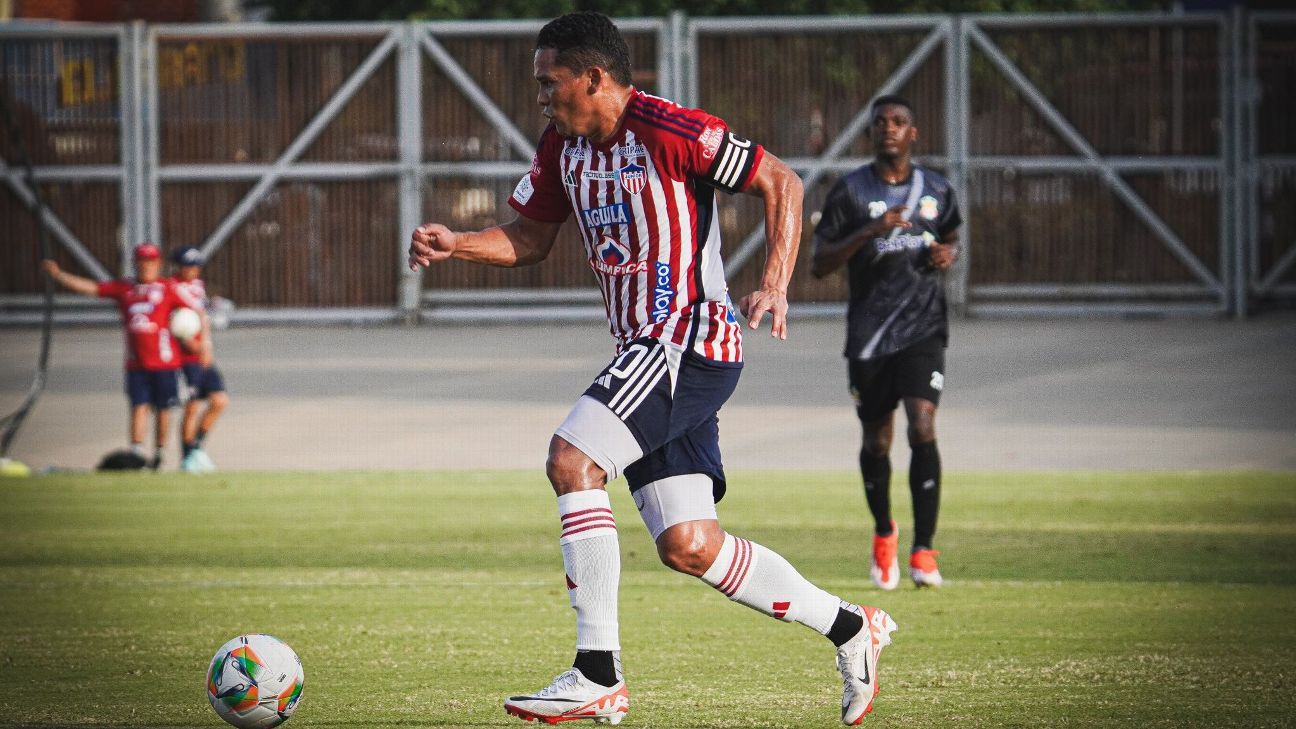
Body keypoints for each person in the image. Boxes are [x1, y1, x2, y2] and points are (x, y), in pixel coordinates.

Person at [408, 12, 896, 726]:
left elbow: (782, 183)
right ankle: (853, 627)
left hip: (685, 340)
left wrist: (777, 279)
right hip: (648, 351)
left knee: (572, 461)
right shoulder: (560, 146)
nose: (542, 96)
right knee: (689, 545)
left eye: (551, 82)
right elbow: (530, 238)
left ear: (594, 78)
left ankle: (596, 670)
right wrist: (458, 244)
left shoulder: (672, 130)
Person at [809, 95, 963, 591]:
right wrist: (872, 230)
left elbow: (952, 234)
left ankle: (925, 551)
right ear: (871, 134)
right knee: (877, 439)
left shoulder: (937, 189)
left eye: (899, 122)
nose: (889, 130)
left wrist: (946, 254)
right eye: (880, 124)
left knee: (922, 425)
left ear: (913, 132)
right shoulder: (851, 191)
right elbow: (820, 262)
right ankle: (884, 534)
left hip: (924, 330)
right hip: (870, 334)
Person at [41, 242, 204, 470]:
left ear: (158, 264)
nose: (146, 266)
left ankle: (158, 454)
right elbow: (92, 288)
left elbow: (195, 311)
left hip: (165, 362)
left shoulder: (167, 288)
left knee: (164, 409)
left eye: (151, 261)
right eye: (142, 261)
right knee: (139, 406)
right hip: (136, 362)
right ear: (136, 263)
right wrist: (59, 275)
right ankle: (136, 454)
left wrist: (197, 342)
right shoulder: (125, 288)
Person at [168, 246, 228, 473]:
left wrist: (207, 346)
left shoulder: (197, 287)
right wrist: (186, 342)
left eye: (196, 265)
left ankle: (196, 448)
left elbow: (202, 319)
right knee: (192, 406)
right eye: (188, 265)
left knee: (219, 400)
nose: (193, 269)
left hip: (203, 356)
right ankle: (187, 457)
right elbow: (175, 321)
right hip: (186, 359)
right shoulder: (172, 288)